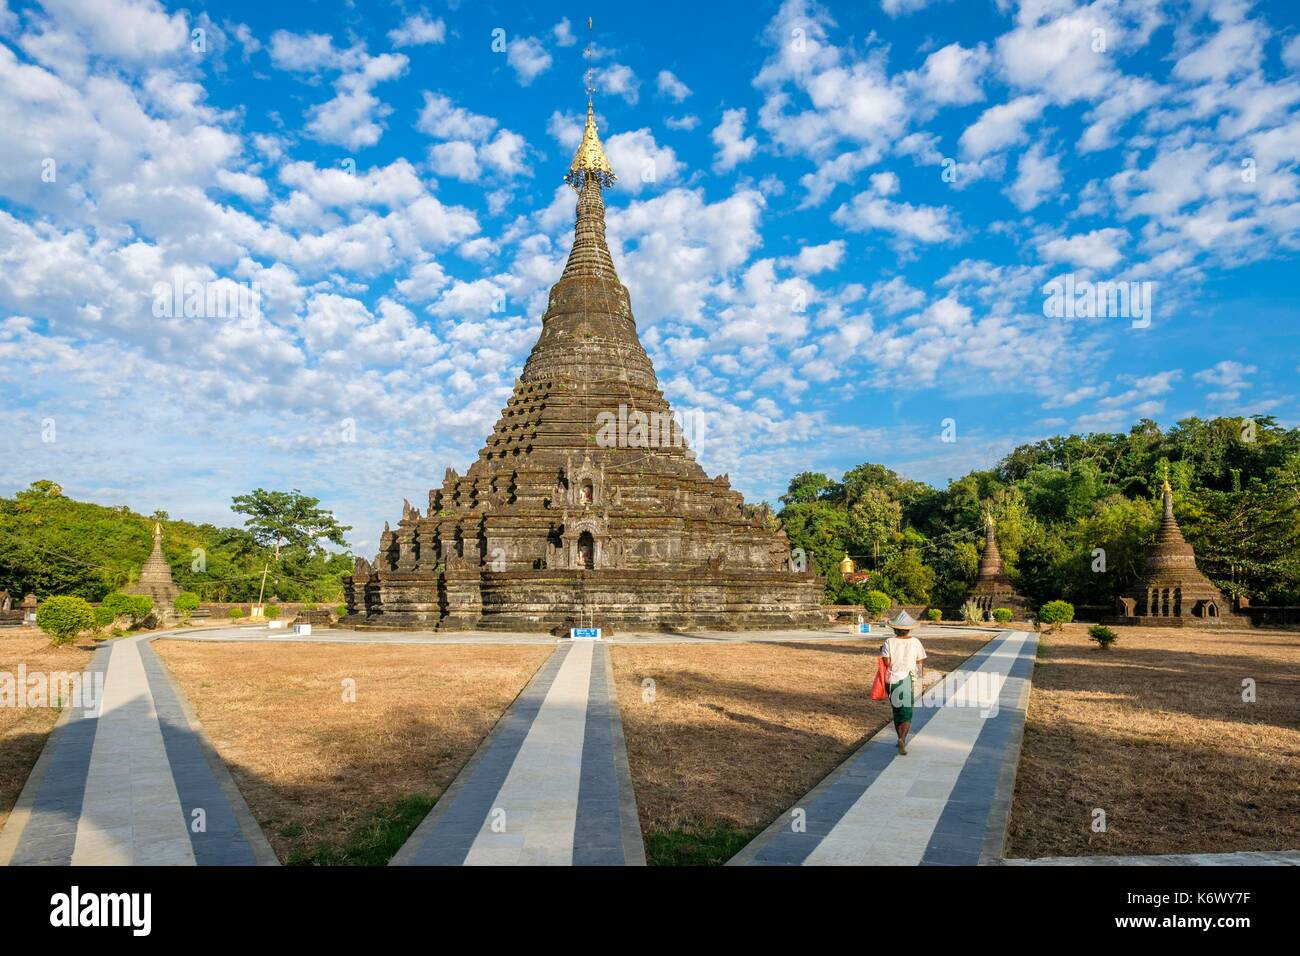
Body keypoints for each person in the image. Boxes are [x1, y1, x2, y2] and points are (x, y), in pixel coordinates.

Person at [880, 610, 926, 755]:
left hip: (892, 680)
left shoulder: (889, 642)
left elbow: (886, 661)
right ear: (909, 629)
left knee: (897, 710)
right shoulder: (915, 642)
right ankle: (902, 738)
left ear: (895, 629)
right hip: (907, 679)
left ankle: (899, 738)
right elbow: (919, 663)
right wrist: (919, 681)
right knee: (907, 712)